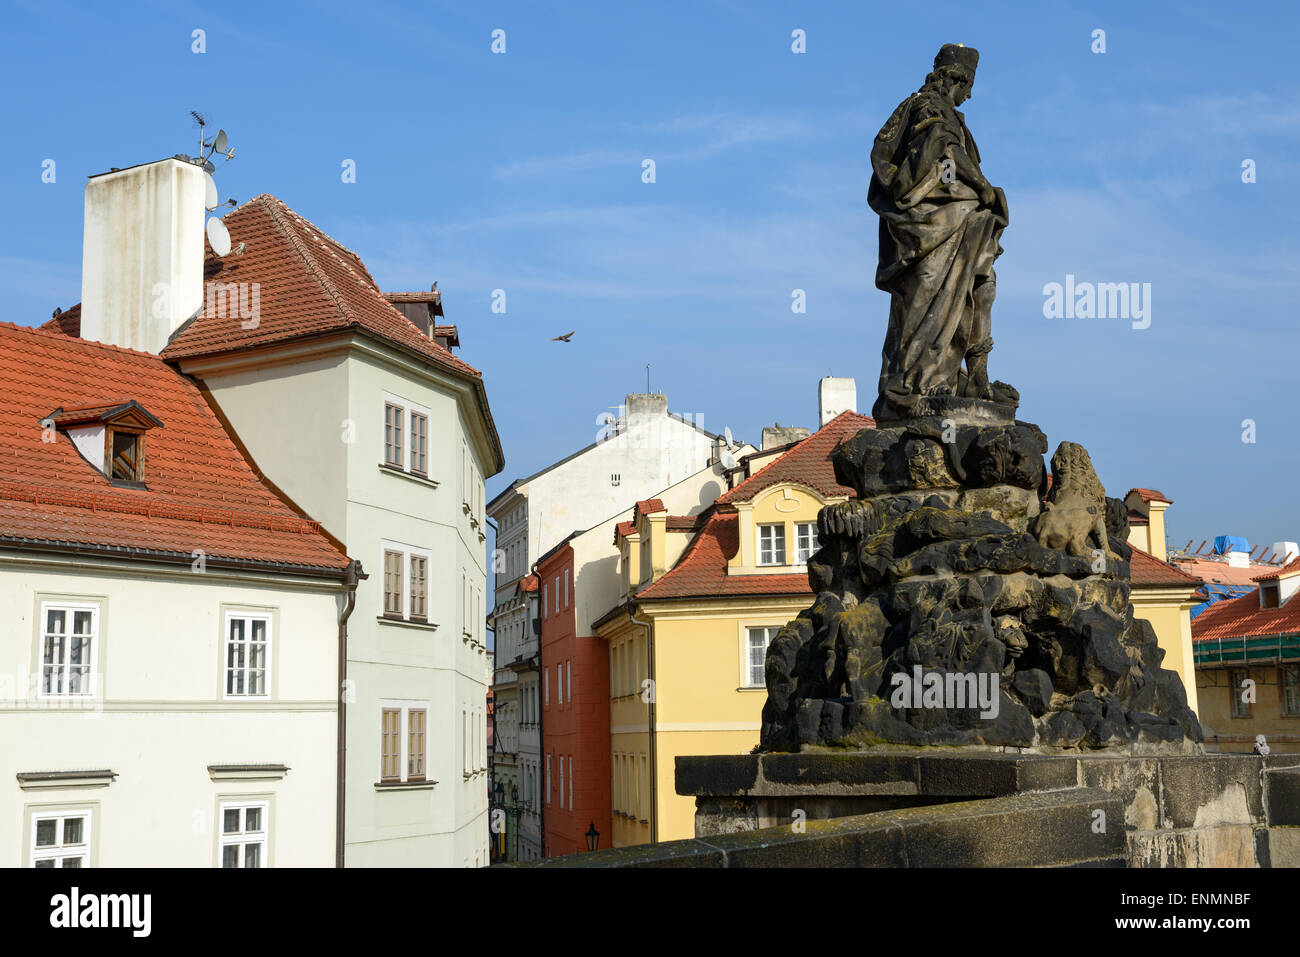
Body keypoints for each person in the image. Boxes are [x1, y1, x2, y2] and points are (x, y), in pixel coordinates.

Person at [869, 44, 1009, 419]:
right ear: (957, 79)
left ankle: (974, 374)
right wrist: (980, 185)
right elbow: (942, 151)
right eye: (969, 86)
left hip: (953, 217)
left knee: (981, 280)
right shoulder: (928, 106)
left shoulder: (949, 115)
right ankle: (918, 380)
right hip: (928, 220)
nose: (971, 95)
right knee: (927, 292)